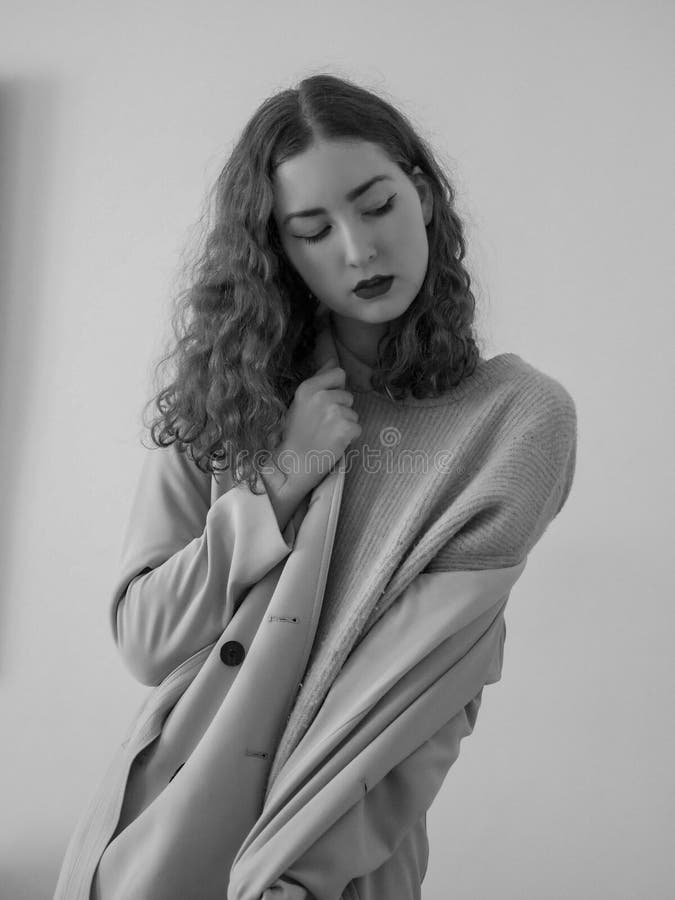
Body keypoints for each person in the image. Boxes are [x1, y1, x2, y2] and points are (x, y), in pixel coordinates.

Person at [53, 73, 577, 900]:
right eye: (313, 230)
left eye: (376, 206)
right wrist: (279, 481)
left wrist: (295, 880)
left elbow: (426, 700)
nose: (358, 249)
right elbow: (146, 640)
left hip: (336, 867)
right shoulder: (229, 393)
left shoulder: (510, 422)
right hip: (162, 839)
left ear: (422, 195)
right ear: (279, 252)